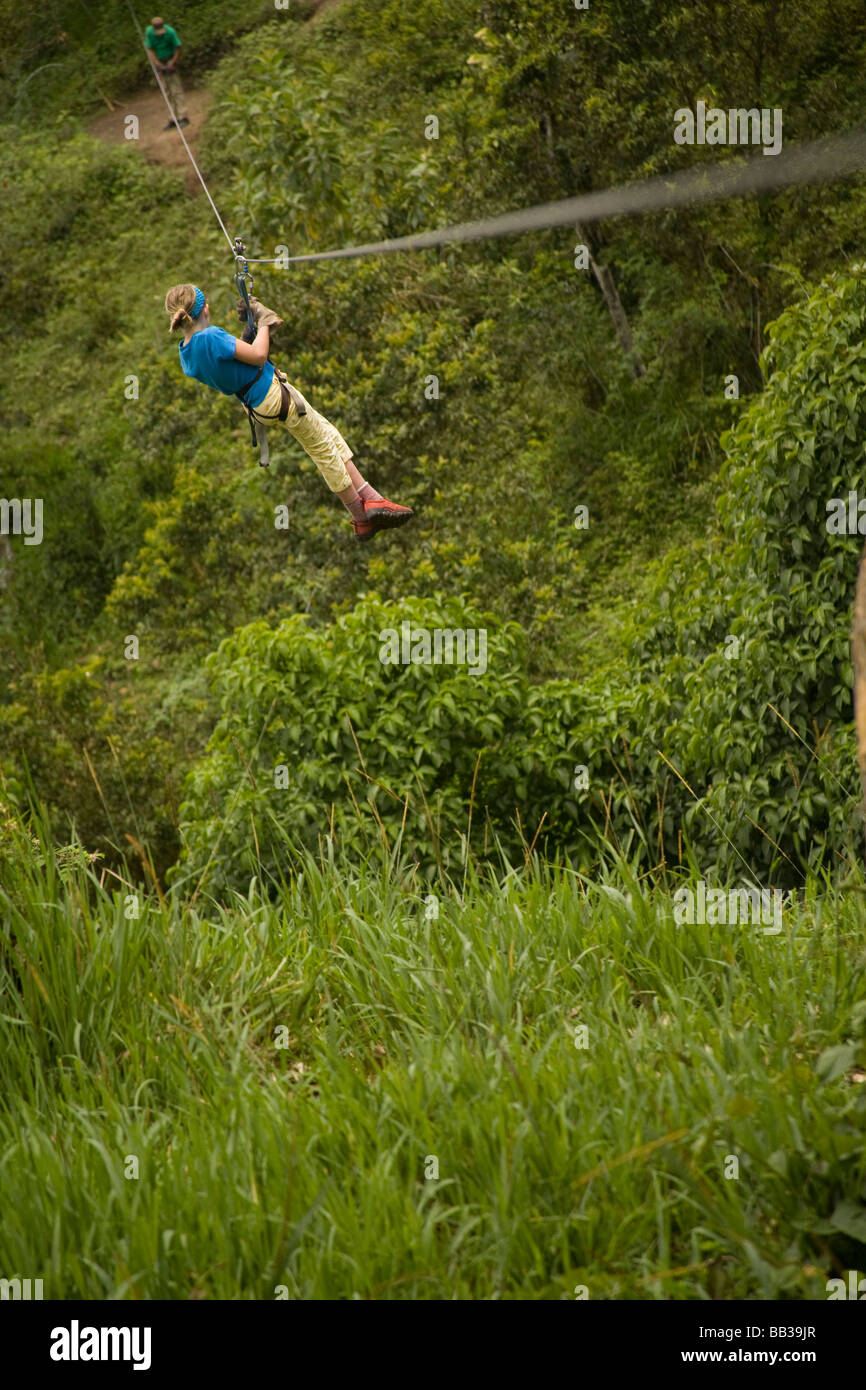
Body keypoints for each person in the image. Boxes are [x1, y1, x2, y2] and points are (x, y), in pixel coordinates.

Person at [164, 283, 414, 542]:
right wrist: (263, 322)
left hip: (258, 404)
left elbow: (232, 361)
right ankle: (361, 518)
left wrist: (251, 327)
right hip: (271, 395)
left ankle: (373, 500)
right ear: (204, 308)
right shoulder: (211, 337)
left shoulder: (187, 352)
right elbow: (259, 355)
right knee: (322, 448)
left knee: (328, 434)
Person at [144, 16, 189, 130]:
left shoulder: (170, 32)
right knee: (167, 91)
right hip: (159, 60)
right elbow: (149, 49)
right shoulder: (149, 32)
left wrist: (172, 63)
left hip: (170, 59)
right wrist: (157, 63)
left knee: (176, 90)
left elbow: (178, 48)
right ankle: (173, 118)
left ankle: (183, 117)